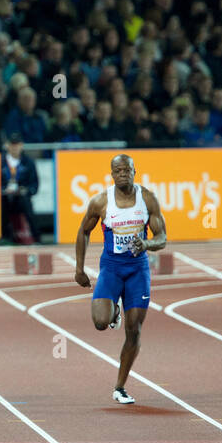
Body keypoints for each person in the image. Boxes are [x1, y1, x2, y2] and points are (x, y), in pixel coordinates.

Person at [73, 154, 166, 405]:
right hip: (112, 268)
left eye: (128, 169)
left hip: (138, 269)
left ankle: (120, 386)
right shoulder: (101, 201)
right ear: (112, 174)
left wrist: (146, 243)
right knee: (100, 322)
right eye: (118, 170)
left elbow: (162, 237)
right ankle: (113, 310)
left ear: (135, 171)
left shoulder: (147, 199)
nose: (123, 173)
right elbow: (83, 231)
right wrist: (79, 268)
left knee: (134, 330)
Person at [1, 133, 40, 243]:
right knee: (1, 202)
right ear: (7, 145)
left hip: (21, 199)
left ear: (21, 145)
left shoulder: (29, 163)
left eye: (17, 144)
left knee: (26, 202)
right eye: (12, 144)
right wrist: (3, 190)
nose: (14, 147)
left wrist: (25, 190)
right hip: (5, 198)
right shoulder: (0, 162)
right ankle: (3, 238)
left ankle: (36, 238)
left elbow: (34, 185)